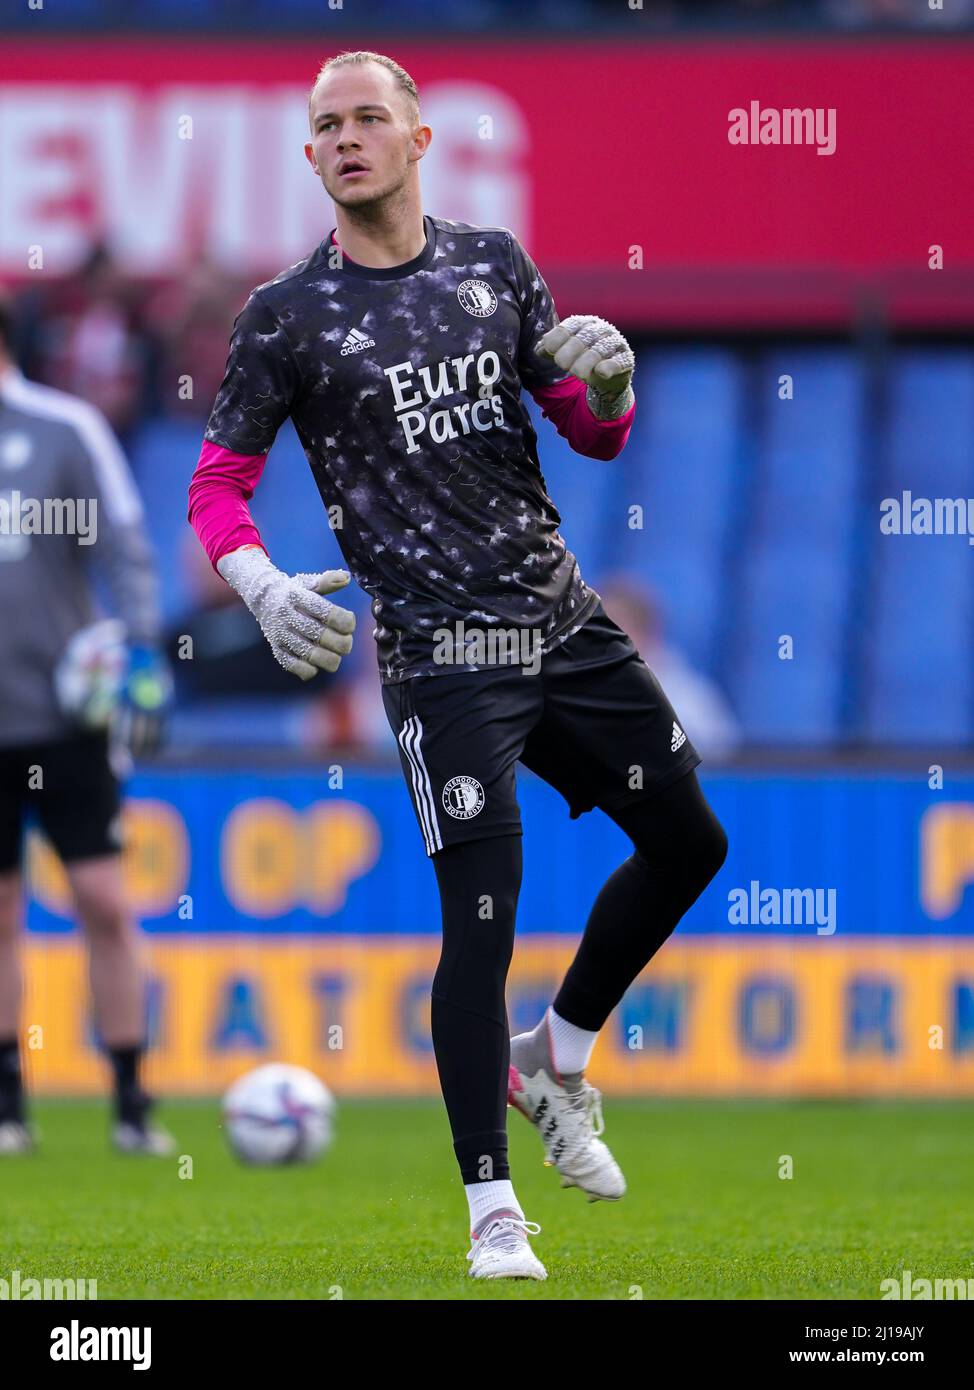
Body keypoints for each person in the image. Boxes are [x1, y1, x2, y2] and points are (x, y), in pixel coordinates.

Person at [188, 49, 727, 1280]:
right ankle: (491, 1205)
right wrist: (260, 582)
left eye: (367, 117)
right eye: (324, 126)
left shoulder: (493, 266)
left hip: (560, 616)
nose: (344, 139)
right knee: (480, 919)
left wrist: (616, 383)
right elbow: (218, 484)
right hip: (441, 653)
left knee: (693, 843)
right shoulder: (284, 315)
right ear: (312, 155)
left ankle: (560, 1052)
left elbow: (586, 434)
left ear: (420, 137)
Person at [0, 294, 174, 1157]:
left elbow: (125, 539)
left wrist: (141, 650)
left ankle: (132, 1101)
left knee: (103, 900)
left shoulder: (62, 427)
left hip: (66, 714)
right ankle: (8, 1108)